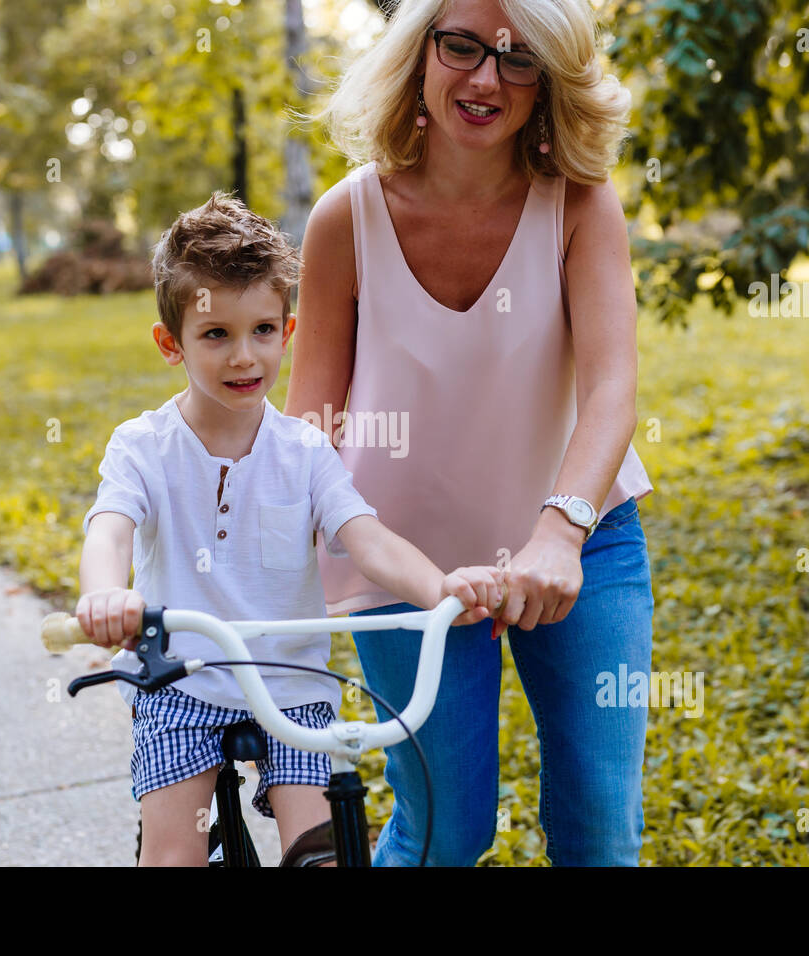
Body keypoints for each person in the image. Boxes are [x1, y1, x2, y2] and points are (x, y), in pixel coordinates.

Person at [285, 0, 655, 866]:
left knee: (602, 832)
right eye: (462, 46)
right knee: (446, 832)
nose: (486, 78)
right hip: (404, 566)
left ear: (548, 85)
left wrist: (559, 533)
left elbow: (612, 386)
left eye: (519, 58)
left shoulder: (579, 205)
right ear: (420, 56)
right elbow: (313, 423)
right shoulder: (347, 217)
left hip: (581, 545)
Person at [76, 190, 504, 866]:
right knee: (172, 858)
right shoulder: (142, 447)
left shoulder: (304, 450)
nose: (244, 357)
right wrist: (106, 593)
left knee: (323, 852)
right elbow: (110, 528)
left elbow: (367, 539)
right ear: (171, 343)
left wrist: (441, 585)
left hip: (291, 687)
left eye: (263, 332)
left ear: (289, 331)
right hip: (180, 683)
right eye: (216, 335)